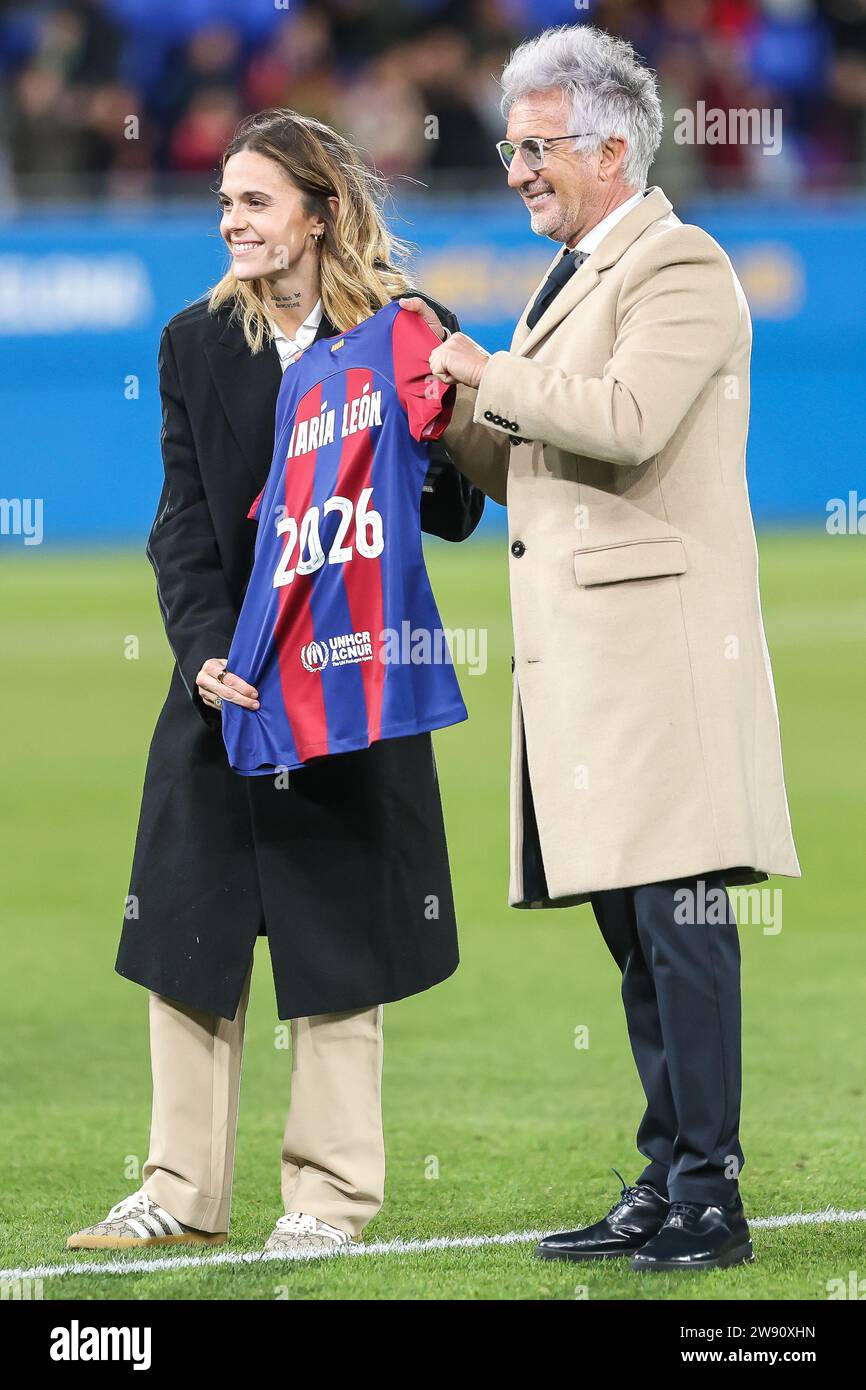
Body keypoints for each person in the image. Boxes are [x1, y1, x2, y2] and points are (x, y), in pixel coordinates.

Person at [404, 26, 800, 1273]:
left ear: (612, 147)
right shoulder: (569, 275)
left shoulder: (678, 262)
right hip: (593, 665)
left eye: (537, 146)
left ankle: (710, 1197)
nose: (517, 167)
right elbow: (539, 467)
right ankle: (664, 1171)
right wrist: (452, 417)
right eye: (511, 147)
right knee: (634, 931)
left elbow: (624, 422)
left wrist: (488, 370)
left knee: (681, 925)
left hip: (663, 658)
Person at [68, 108, 483, 1259]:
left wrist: (437, 422)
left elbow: (451, 513)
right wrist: (203, 650)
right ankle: (176, 1189)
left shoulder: (403, 329)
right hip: (229, 688)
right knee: (185, 932)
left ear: (320, 212)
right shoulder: (195, 342)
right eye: (223, 202)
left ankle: (327, 1199)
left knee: (336, 942)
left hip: (346, 690)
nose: (231, 222)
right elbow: (180, 523)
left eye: (254, 200)